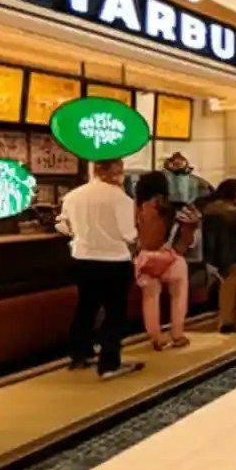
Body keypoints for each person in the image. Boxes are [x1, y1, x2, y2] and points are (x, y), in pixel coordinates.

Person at [56, 159, 142, 380]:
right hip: (114, 260)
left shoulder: (74, 196)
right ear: (106, 170)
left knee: (86, 307)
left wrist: (79, 234)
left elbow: (62, 225)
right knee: (115, 313)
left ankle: (79, 354)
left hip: (83, 259)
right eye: (118, 170)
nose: (121, 174)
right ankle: (109, 364)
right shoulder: (120, 198)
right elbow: (128, 234)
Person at [133, 171, 200, 351]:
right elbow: (185, 240)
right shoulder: (173, 208)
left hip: (145, 257)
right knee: (178, 295)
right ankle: (177, 334)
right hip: (171, 257)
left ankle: (156, 337)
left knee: (150, 298)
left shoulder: (137, 209)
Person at [201, 179, 236, 333]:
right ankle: (227, 321)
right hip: (234, 256)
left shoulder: (208, 211)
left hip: (214, 257)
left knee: (224, 288)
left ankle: (229, 317)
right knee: (231, 287)